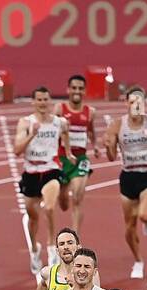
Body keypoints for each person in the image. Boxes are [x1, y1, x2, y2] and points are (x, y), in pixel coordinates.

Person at [103, 85, 147, 280]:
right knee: (129, 227)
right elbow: (110, 157)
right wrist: (109, 146)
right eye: (133, 101)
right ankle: (138, 261)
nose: (136, 105)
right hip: (128, 178)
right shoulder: (117, 125)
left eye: (140, 101)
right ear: (127, 102)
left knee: (144, 215)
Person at [14, 87, 70, 276]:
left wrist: (68, 154)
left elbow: (66, 138)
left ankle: (51, 247)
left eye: (46, 99)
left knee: (49, 207)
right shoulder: (25, 122)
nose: (43, 103)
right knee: (33, 216)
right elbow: (16, 150)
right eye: (39, 99)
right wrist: (32, 134)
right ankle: (35, 249)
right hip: (31, 173)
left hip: (50, 170)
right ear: (33, 102)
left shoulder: (59, 123)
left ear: (50, 101)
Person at [56, 74, 98, 234]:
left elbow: (92, 131)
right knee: (63, 203)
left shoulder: (90, 112)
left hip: (80, 159)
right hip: (62, 159)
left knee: (77, 198)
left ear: (84, 91)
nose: (77, 91)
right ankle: (63, 194)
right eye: (74, 88)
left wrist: (95, 146)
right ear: (68, 89)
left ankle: (75, 238)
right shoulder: (60, 109)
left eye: (80, 88)